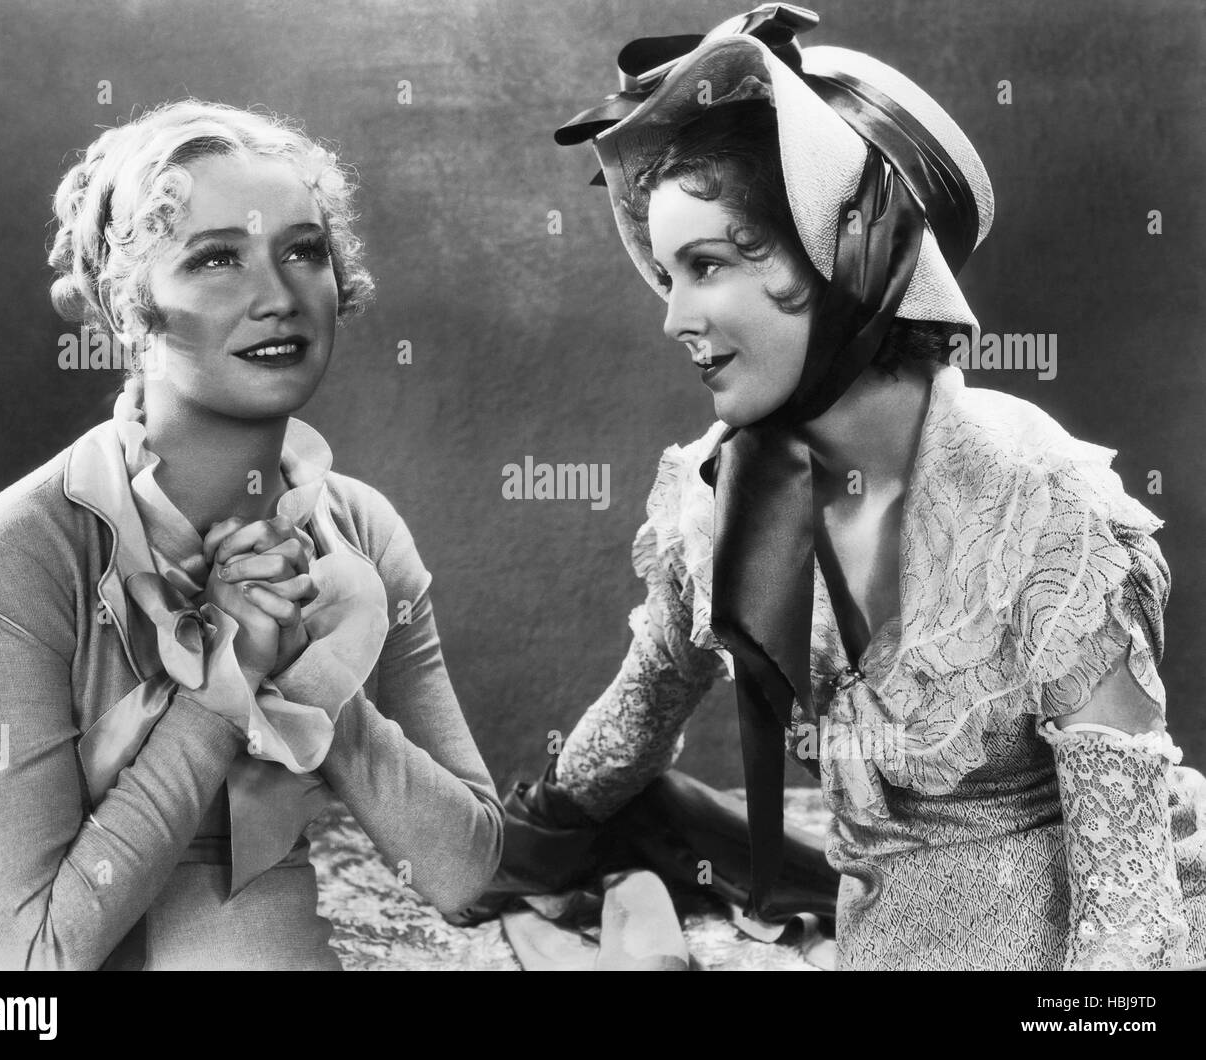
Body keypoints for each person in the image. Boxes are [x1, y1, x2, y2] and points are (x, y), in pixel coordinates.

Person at [481, 5, 1206, 970]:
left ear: (849, 260)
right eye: (668, 272)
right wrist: (522, 843)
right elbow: (647, 703)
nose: (674, 319)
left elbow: (1133, 934)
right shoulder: (718, 501)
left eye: (710, 266)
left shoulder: (1047, 516)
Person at [0, 100, 502, 970]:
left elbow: (466, 870)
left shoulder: (360, 531)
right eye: (217, 258)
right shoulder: (17, 551)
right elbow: (38, 958)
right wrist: (223, 688)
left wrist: (316, 673)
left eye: (304, 250)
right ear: (127, 304)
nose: (280, 295)